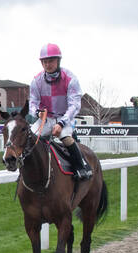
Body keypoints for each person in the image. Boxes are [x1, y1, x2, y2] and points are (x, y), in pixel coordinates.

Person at [28, 42, 91, 179]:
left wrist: (61, 123)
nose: (47, 64)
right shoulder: (36, 81)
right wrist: (37, 112)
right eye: (44, 61)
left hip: (64, 118)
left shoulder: (70, 78)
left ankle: (81, 167)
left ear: (58, 60)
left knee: (66, 138)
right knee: (28, 139)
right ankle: (25, 172)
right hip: (46, 119)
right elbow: (32, 103)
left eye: (50, 61)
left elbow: (74, 105)